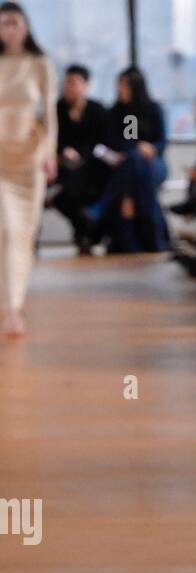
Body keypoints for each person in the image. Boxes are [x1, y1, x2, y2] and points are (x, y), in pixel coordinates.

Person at [0, 0, 56, 336]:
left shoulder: (40, 63)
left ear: (26, 26)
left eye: (15, 23)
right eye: (4, 23)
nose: (10, 29)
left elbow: (49, 113)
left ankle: (15, 302)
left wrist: (49, 152)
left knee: (21, 234)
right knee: (5, 229)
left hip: (29, 156)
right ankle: (10, 305)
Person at [81, 66, 169, 253]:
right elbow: (121, 141)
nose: (120, 90)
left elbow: (161, 142)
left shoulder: (152, 109)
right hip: (130, 166)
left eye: (124, 86)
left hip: (153, 164)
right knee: (136, 166)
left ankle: (102, 206)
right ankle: (154, 241)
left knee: (136, 163)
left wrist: (149, 148)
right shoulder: (118, 112)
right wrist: (134, 148)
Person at [50, 63, 108, 253]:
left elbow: (112, 140)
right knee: (64, 194)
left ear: (86, 85)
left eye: (74, 83)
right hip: (64, 169)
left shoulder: (98, 110)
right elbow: (49, 138)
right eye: (67, 82)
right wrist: (62, 151)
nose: (69, 87)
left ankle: (88, 232)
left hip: (93, 168)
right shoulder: (57, 110)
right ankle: (84, 230)